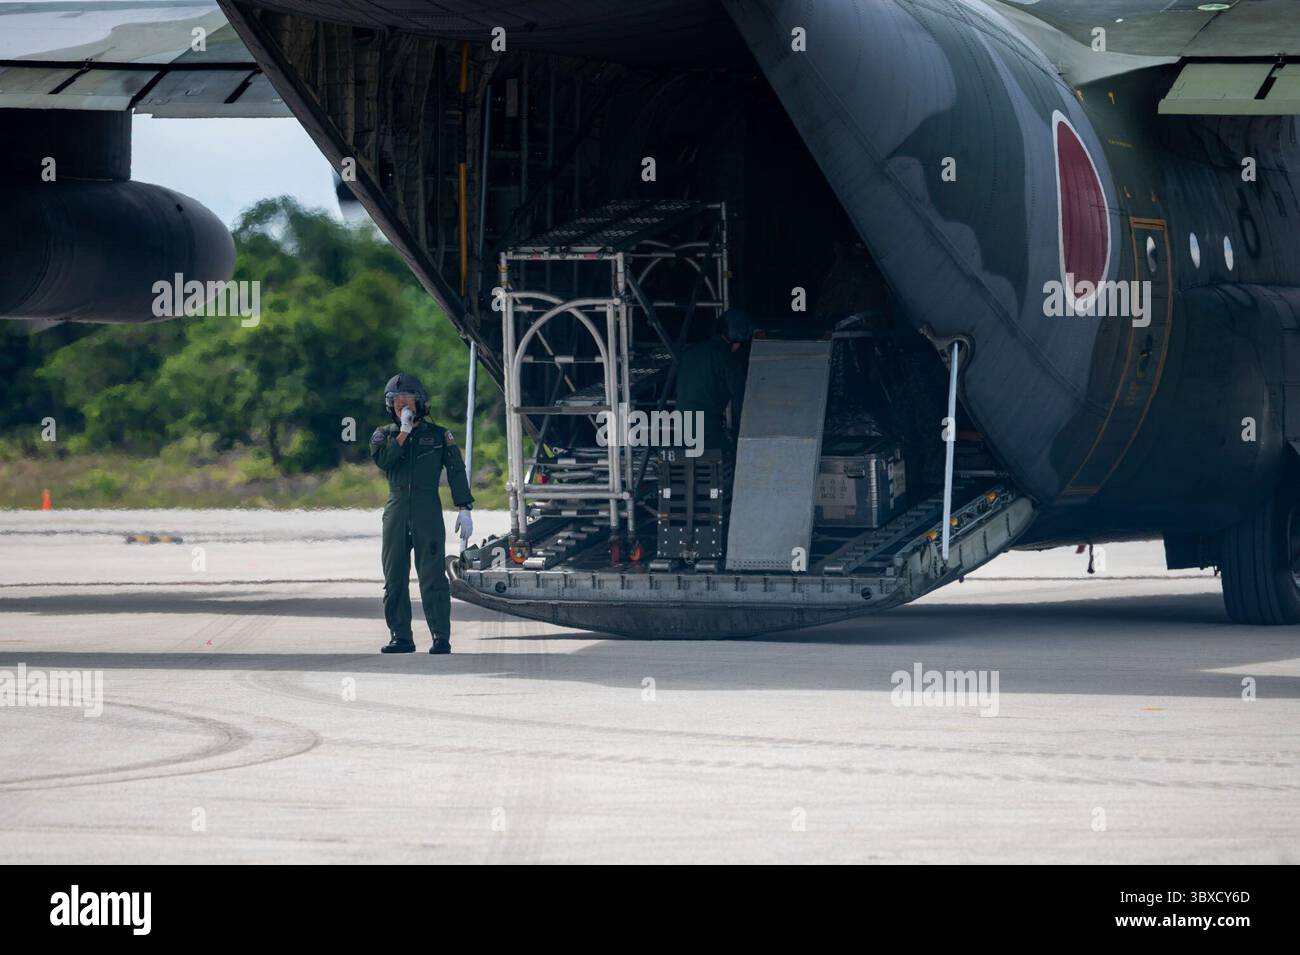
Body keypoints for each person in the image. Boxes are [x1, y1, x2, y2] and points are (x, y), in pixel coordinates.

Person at [370, 373, 474, 655]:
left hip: (428, 508)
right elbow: (386, 461)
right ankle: (400, 636)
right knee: (394, 576)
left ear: (420, 402)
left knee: (432, 575)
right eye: (397, 400)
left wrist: (464, 507)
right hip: (397, 509)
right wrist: (403, 432)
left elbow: (455, 471)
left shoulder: (439, 436)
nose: (402, 404)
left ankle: (441, 637)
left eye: (408, 399)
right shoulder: (384, 435)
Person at [674, 308, 754, 451]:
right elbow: (741, 403)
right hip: (707, 431)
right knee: (731, 457)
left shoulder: (690, 352)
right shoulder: (727, 359)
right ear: (738, 340)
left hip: (680, 429)